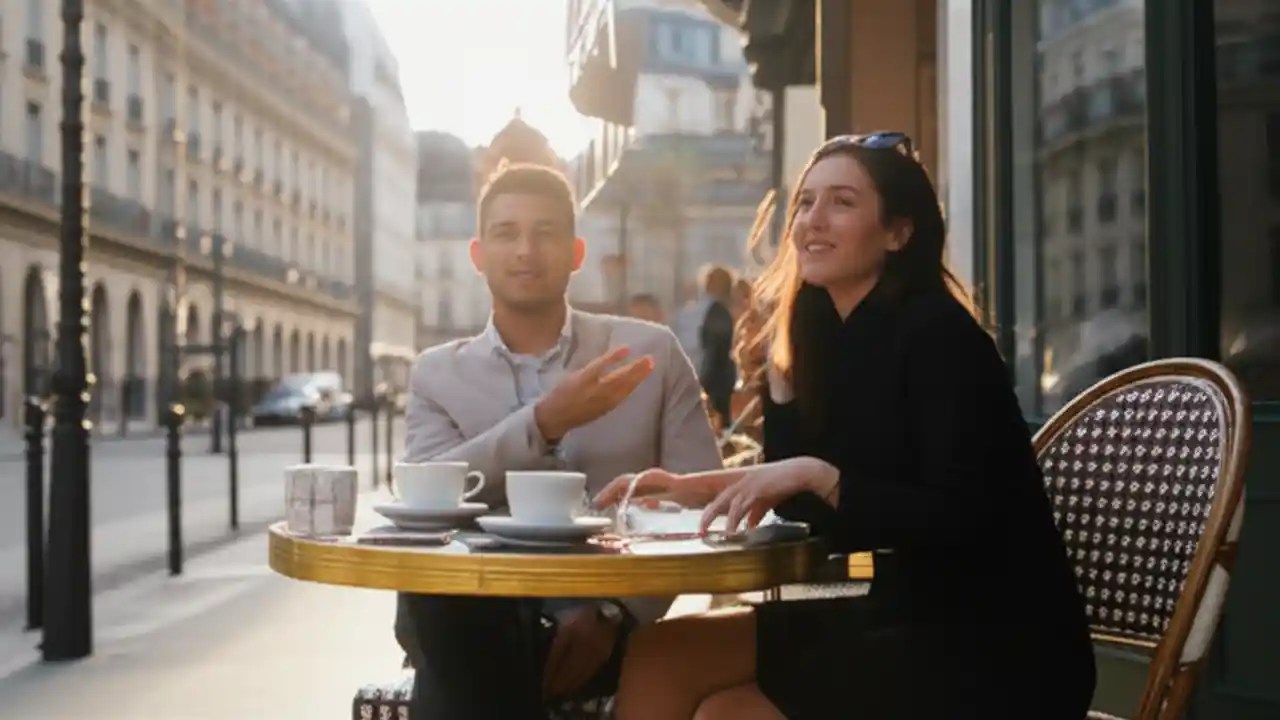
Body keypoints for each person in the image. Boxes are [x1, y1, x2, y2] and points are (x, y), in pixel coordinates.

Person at [594, 132, 1096, 719]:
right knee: (660, 653)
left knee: (727, 714)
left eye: (842, 202)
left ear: (897, 233)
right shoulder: (830, 337)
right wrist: (699, 484)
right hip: (892, 613)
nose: (812, 220)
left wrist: (818, 474)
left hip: (994, 644)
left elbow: (959, 518)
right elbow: (813, 519)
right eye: (805, 203)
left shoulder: (942, 338)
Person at [396, 163, 723, 719]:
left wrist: (615, 610)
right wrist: (543, 421)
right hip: (475, 611)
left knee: (459, 666)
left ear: (576, 253)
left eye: (545, 233)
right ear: (477, 255)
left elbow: (700, 503)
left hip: (612, 619)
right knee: (449, 605)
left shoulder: (649, 353)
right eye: (506, 233)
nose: (526, 250)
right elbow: (427, 500)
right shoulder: (436, 374)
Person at [694, 265, 737, 427]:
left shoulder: (717, 310)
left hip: (718, 378)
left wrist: (704, 381)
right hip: (724, 375)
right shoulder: (723, 308)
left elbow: (715, 350)